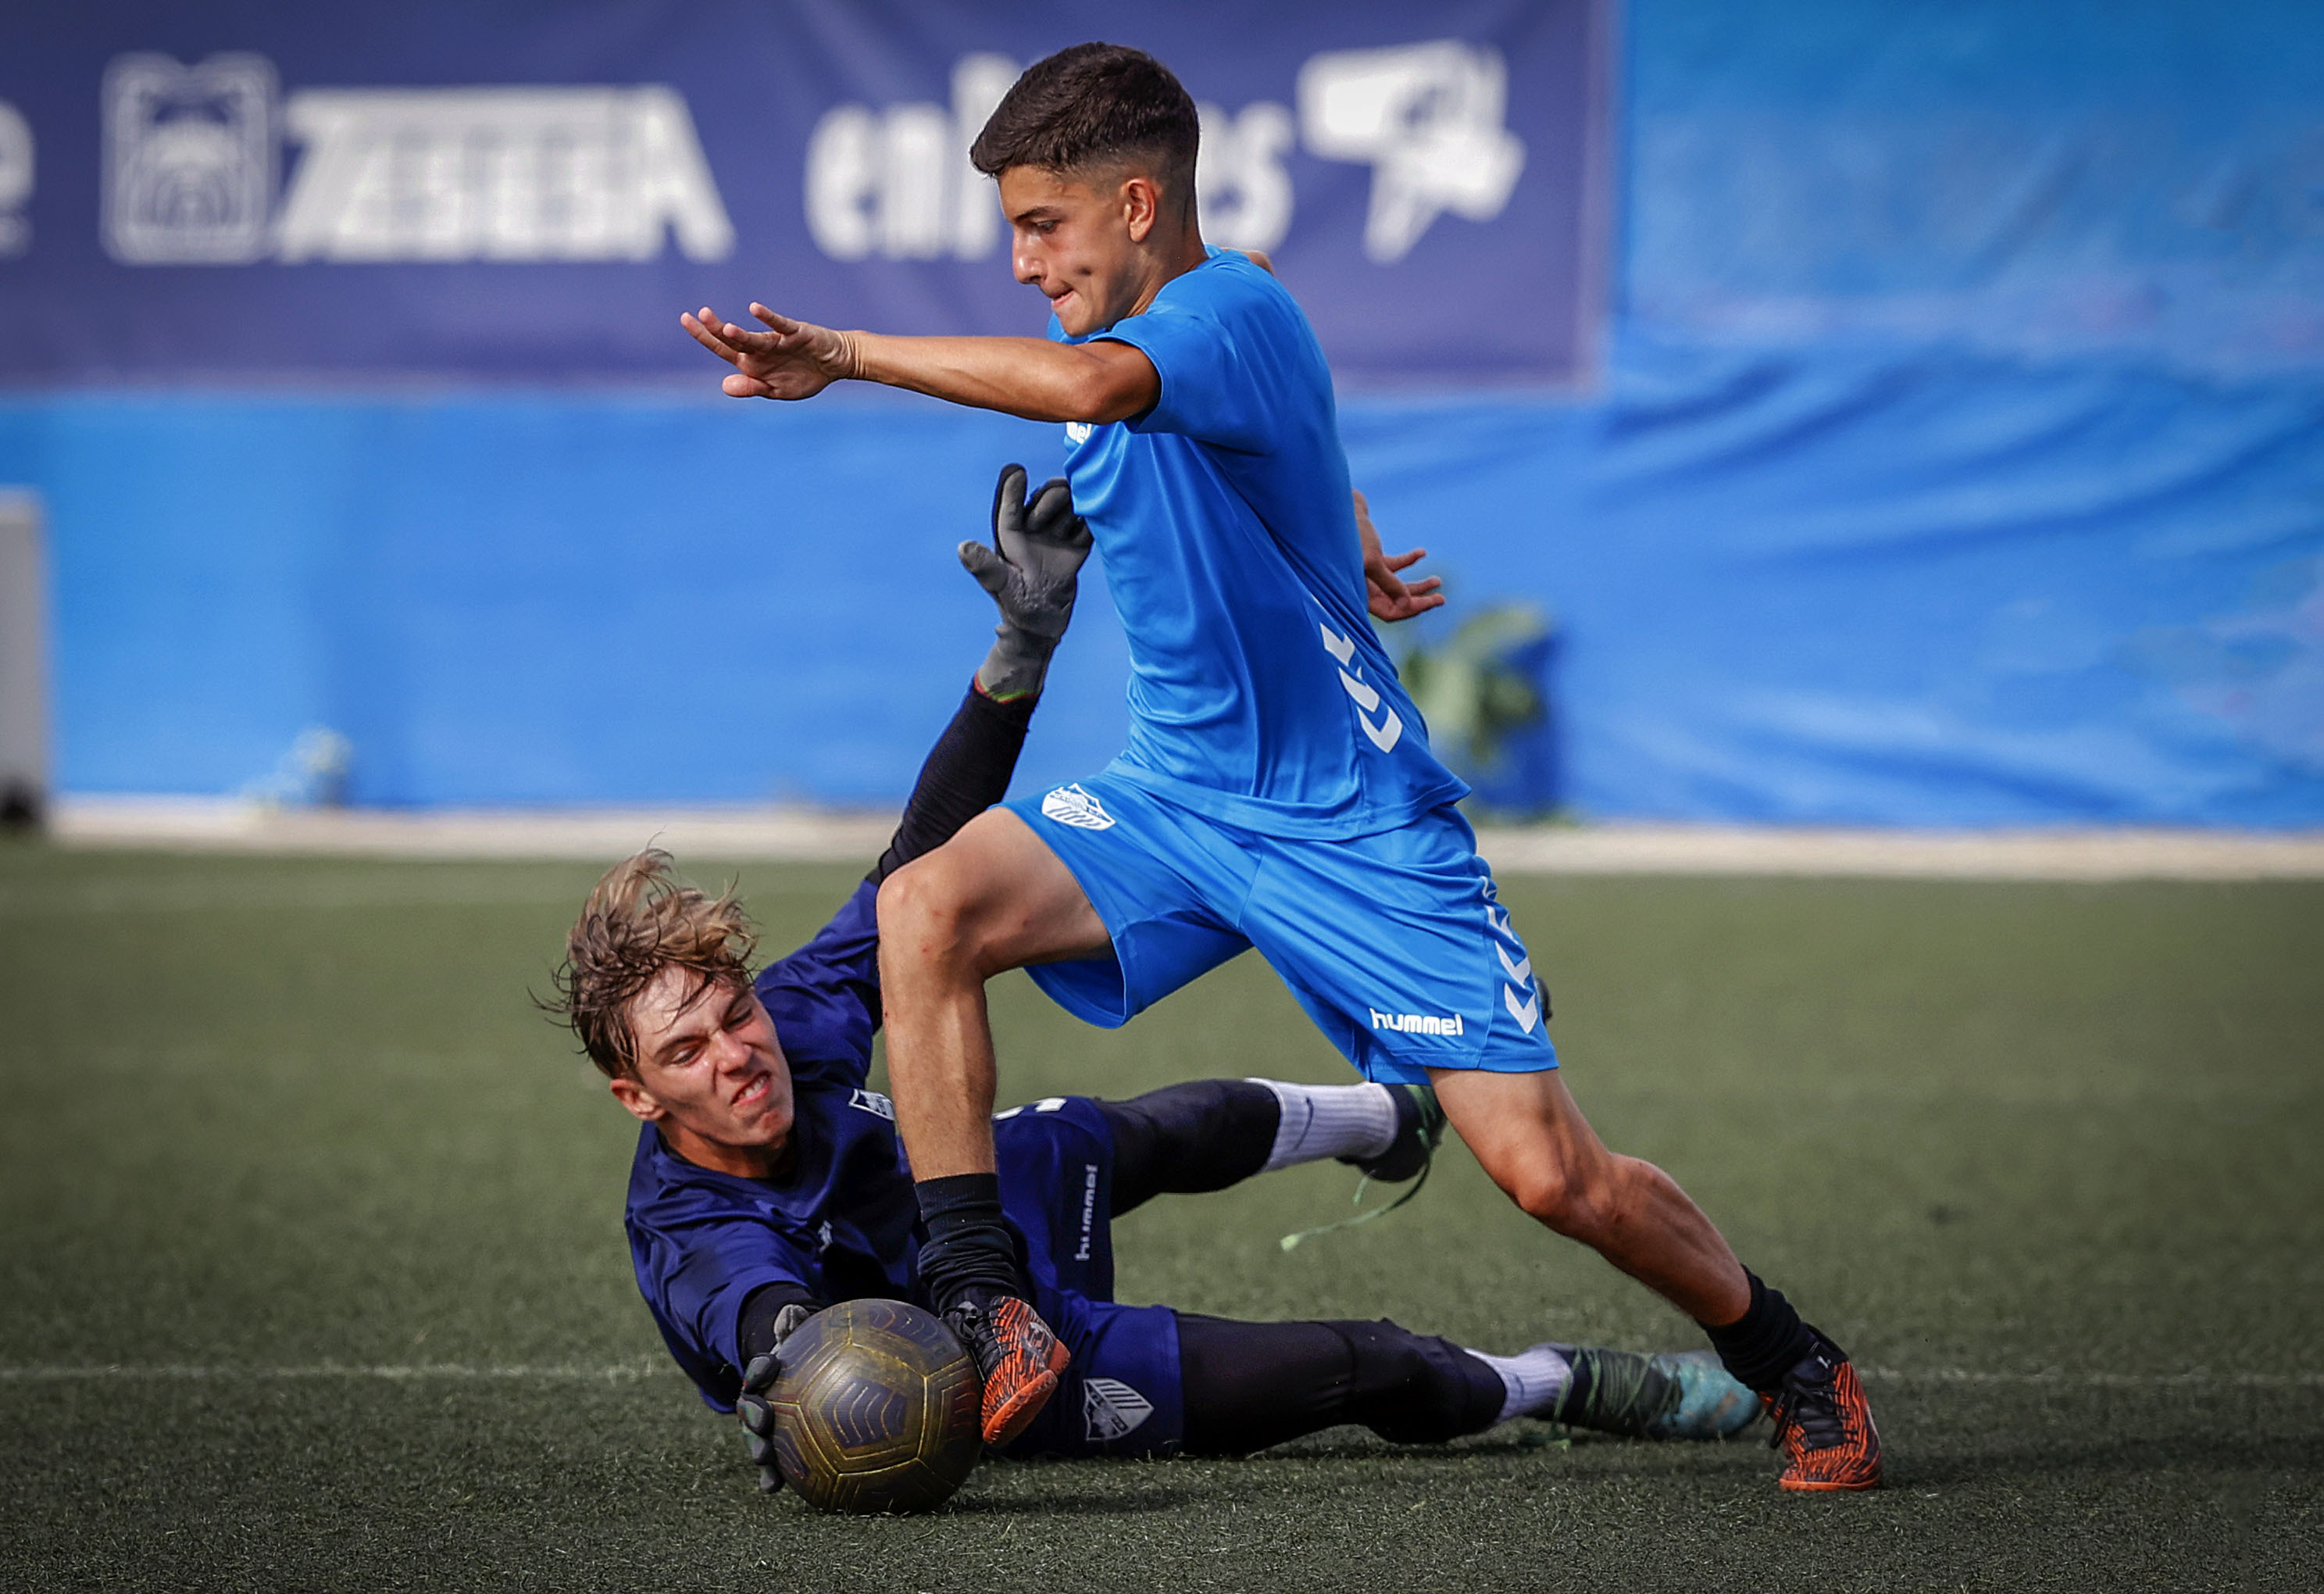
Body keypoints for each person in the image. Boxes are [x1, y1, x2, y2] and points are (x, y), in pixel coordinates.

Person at [677, 45, 1879, 1492]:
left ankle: (1793, 1361)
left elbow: (1107, 382)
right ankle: (990, 1309)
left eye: (1038, 225)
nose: (1018, 262)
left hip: (1352, 825)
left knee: (1556, 1178)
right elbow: (1267, 426)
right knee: (926, 908)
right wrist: (1342, 523)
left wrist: (849, 356)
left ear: (1134, 203)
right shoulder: (1170, 312)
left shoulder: (1212, 311)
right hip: (1177, 795)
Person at [548, 466, 1758, 1485]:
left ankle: (1398, 1110)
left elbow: (917, 867)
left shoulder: (793, 1023)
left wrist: (1019, 651)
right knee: (1366, 1365)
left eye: (731, 1014)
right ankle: (1561, 1381)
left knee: (1154, 1128)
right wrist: (803, 1363)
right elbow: (754, 1310)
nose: (737, 1052)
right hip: (1010, 1372)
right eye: (686, 1053)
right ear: (637, 1097)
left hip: (974, 1216)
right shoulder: (692, 1229)